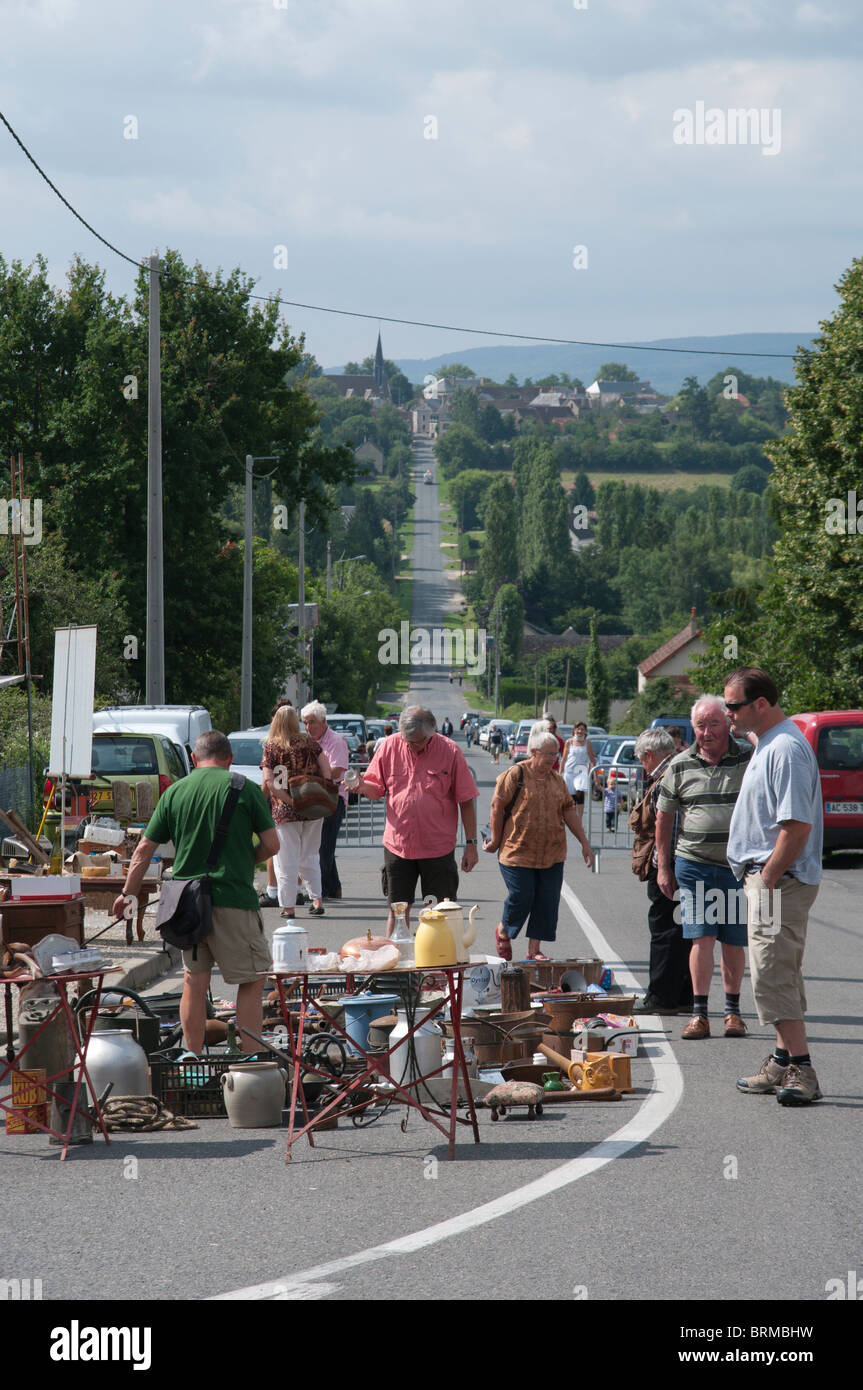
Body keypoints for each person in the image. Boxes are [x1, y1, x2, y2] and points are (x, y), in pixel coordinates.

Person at [114, 731, 279, 1054]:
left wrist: (128, 894)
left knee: (194, 980)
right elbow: (272, 845)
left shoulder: (175, 792)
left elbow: (144, 849)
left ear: (193, 760)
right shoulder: (244, 788)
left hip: (186, 906)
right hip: (233, 900)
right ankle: (250, 1060)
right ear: (229, 758)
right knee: (252, 978)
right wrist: (247, 861)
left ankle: (192, 1058)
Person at [724, 667, 824, 1106]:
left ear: (760, 705)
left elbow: (797, 826)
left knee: (771, 972)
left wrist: (766, 879)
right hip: (773, 879)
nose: (729, 715)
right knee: (781, 967)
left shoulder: (785, 748)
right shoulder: (770, 739)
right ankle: (782, 1060)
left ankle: (801, 1068)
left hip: (778, 881)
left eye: (734, 706)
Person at [655, 695, 752, 1040]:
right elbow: (664, 818)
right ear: (692, 727)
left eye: (713, 723)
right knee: (701, 937)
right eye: (700, 725)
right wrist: (663, 867)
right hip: (694, 864)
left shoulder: (749, 757)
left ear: (727, 722)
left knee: (733, 940)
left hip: (738, 867)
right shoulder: (680, 764)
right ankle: (699, 1015)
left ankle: (733, 1013)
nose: (707, 732)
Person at [345, 705, 478, 932]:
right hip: (399, 845)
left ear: (431, 734)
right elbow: (375, 789)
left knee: (437, 912)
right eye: (406, 739)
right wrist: (359, 785)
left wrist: (471, 845)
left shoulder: (450, 751)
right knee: (397, 912)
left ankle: (435, 966)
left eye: (416, 741)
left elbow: (466, 800)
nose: (409, 745)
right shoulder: (389, 746)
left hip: (437, 848)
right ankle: (397, 965)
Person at [484, 729, 594, 961]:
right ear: (533, 752)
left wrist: (584, 843)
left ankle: (534, 951)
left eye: (556, 754)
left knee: (547, 900)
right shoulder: (515, 775)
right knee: (522, 895)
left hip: (552, 853)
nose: (554, 758)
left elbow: (568, 810)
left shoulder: (557, 780)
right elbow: (497, 806)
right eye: (549, 754)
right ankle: (503, 930)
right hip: (517, 852)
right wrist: (494, 840)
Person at [630, 728, 693, 1015]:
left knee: (665, 930)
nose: (642, 765)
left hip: (671, 865)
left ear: (648, 755)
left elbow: (668, 827)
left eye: (641, 759)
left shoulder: (665, 778)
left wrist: (664, 868)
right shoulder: (684, 769)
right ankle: (682, 994)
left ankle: (661, 996)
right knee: (683, 931)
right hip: (688, 863)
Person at [261, 705, 332, 921]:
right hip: (313, 807)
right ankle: (317, 900)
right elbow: (327, 770)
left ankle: (289, 907)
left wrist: (291, 801)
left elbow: (270, 782)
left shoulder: (272, 747)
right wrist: (321, 791)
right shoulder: (309, 742)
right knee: (310, 854)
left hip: (285, 811)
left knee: (286, 859)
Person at [301, 701, 349, 901]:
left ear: (323, 721)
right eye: (304, 723)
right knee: (321, 844)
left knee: (325, 846)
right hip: (316, 797)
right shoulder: (308, 741)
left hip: (332, 797)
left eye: (311, 722)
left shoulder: (335, 741)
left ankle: (319, 890)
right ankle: (333, 887)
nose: (308, 727)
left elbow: (337, 770)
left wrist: (313, 775)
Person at [560, 721, 596, 824]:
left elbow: (592, 759)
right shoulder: (569, 742)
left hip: (581, 772)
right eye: (578, 729)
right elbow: (564, 758)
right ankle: (570, 819)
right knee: (571, 797)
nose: (580, 731)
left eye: (582, 729)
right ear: (574, 730)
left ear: (585, 732)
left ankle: (579, 820)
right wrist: (560, 773)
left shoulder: (587, 743)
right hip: (569, 772)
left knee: (580, 794)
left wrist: (595, 775)